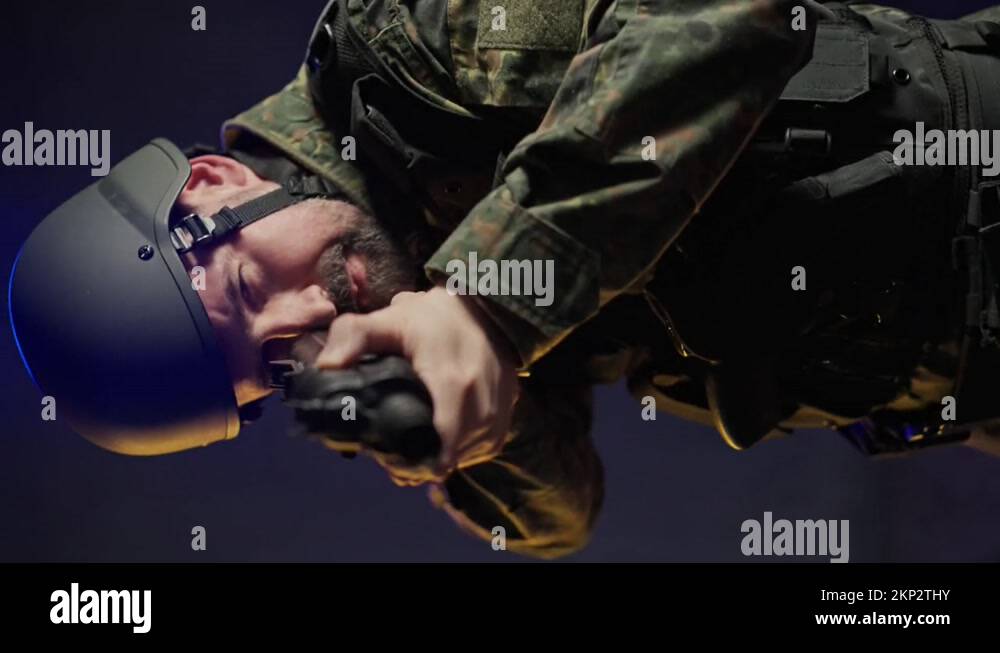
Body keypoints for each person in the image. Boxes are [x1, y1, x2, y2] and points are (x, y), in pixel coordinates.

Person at [10, 1, 1000, 558]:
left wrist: (488, 300)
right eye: (270, 363)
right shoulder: (392, 305)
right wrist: (452, 435)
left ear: (215, 184)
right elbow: (564, 513)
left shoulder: (413, 42)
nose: (309, 316)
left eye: (242, 290)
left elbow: (731, 14)